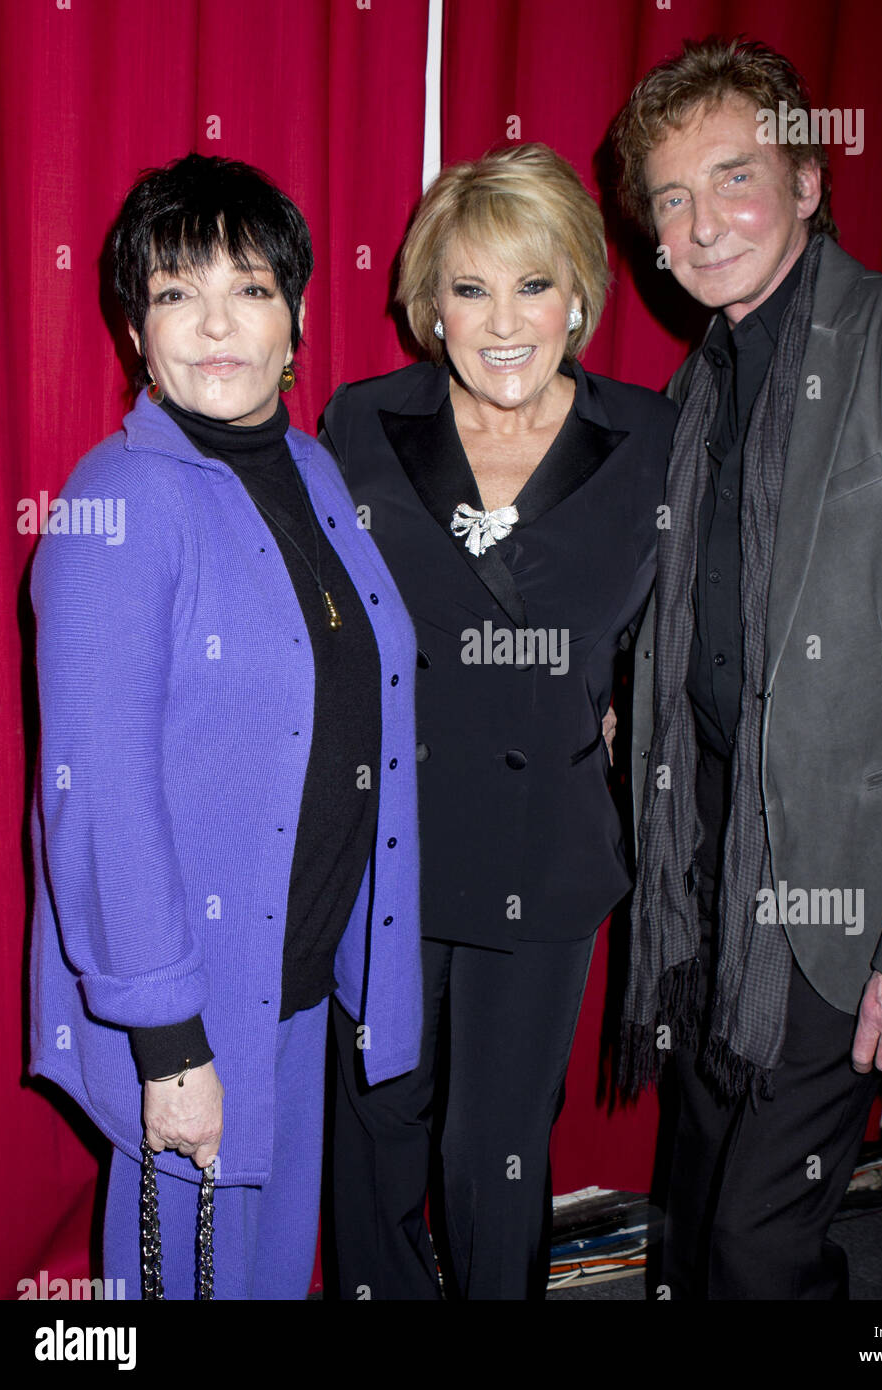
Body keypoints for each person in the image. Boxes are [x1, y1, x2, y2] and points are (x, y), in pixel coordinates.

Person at [613, 36, 882, 1299]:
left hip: (850, 898)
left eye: (733, 178)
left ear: (809, 182)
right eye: (672, 199)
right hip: (708, 882)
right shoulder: (697, 392)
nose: (700, 224)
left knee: (755, 1248)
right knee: (690, 1223)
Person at [29, 153, 422, 1300]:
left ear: (295, 318)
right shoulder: (119, 504)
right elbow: (97, 795)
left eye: (248, 288)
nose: (214, 324)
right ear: (135, 331)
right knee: (186, 1286)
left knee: (258, 1276)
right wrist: (168, 1045)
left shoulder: (307, 465)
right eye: (174, 292)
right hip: (195, 1005)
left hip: (290, 980)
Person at [318, 142, 676, 1300]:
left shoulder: (651, 438)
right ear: (431, 307)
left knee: (498, 1149)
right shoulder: (362, 422)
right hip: (389, 844)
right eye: (470, 288)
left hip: (548, 843)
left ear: (580, 292)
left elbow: (679, 641)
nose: (505, 319)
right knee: (379, 1125)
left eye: (534, 283)